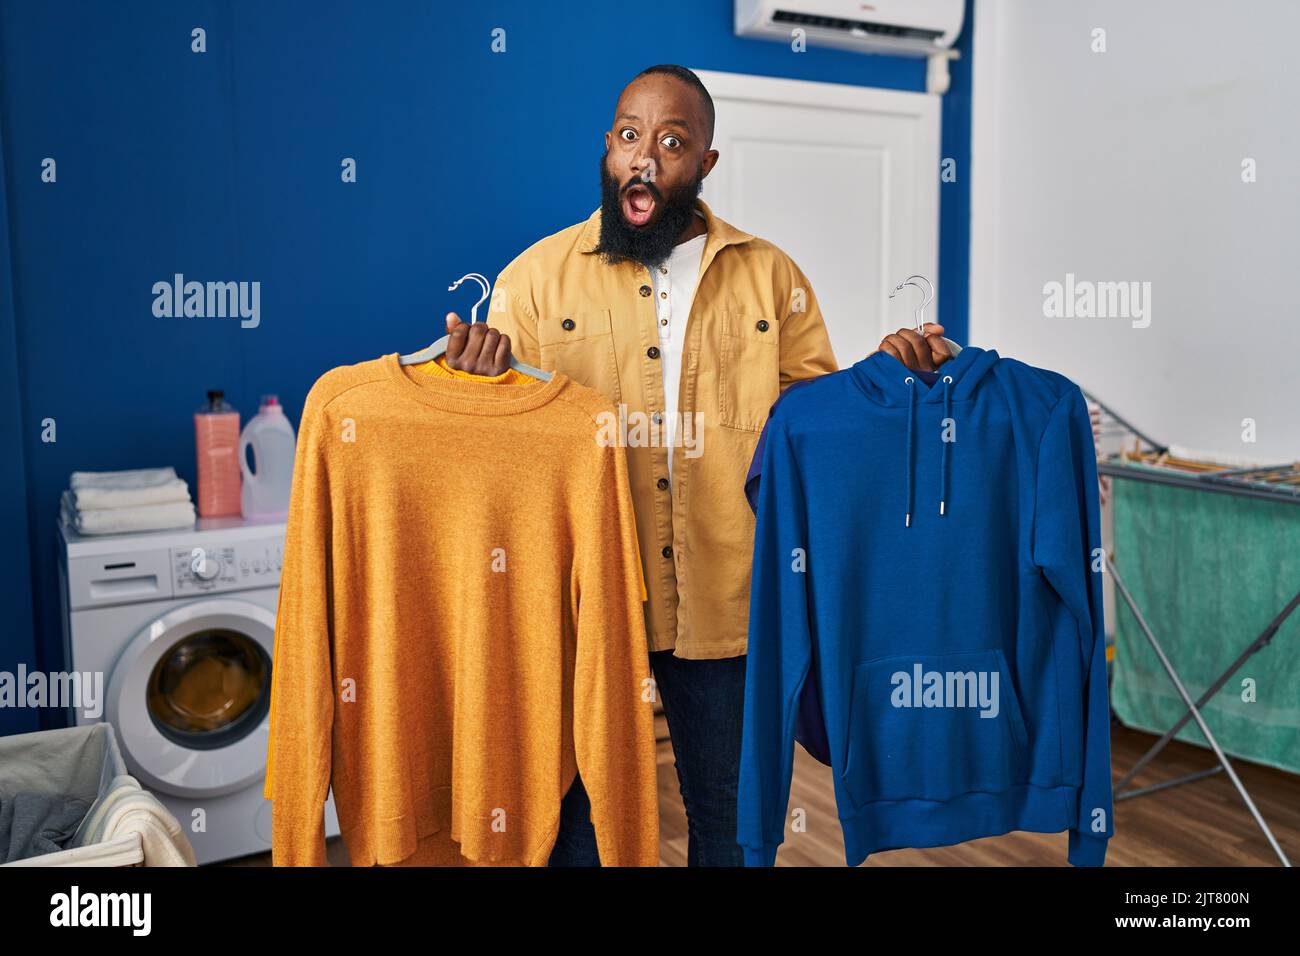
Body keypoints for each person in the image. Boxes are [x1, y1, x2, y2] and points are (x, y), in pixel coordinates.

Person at [443, 64, 955, 866]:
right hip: (585, 601)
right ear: (608, 149)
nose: (644, 157)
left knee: (734, 823)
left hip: (729, 600)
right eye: (629, 136)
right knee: (575, 827)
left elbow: (813, 427)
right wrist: (474, 389)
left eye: (672, 142)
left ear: (706, 162)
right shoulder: (533, 280)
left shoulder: (770, 277)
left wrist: (884, 380)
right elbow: (500, 455)